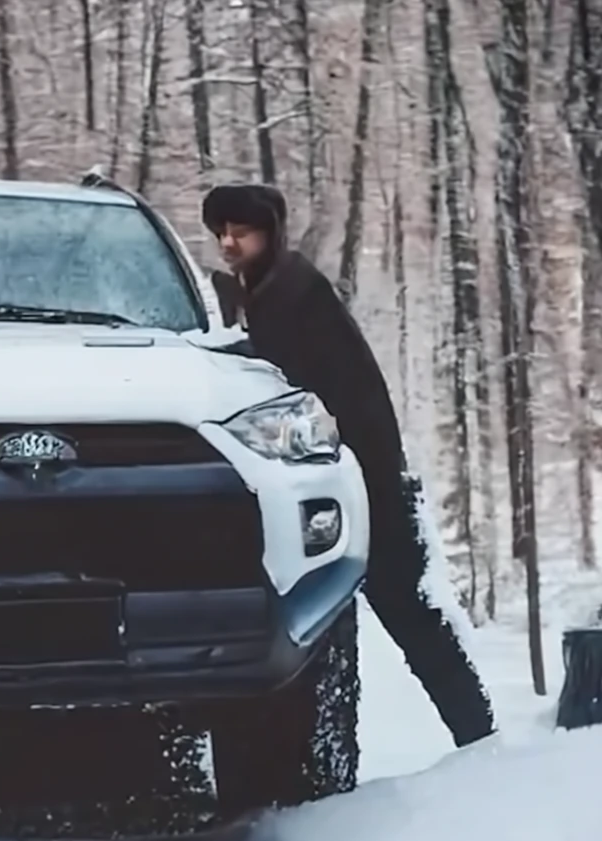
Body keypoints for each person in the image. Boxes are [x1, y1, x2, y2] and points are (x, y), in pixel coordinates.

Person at [201, 182, 495, 748]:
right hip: (343, 475)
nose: (229, 242)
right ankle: (477, 738)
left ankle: (480, 740)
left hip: (365, 478)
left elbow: (291, 370)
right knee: (398, 617)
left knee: (409, 615)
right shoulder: (267, 288)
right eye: (222, 233)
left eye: (241, 231)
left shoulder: (293, 292)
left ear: (271, 232)